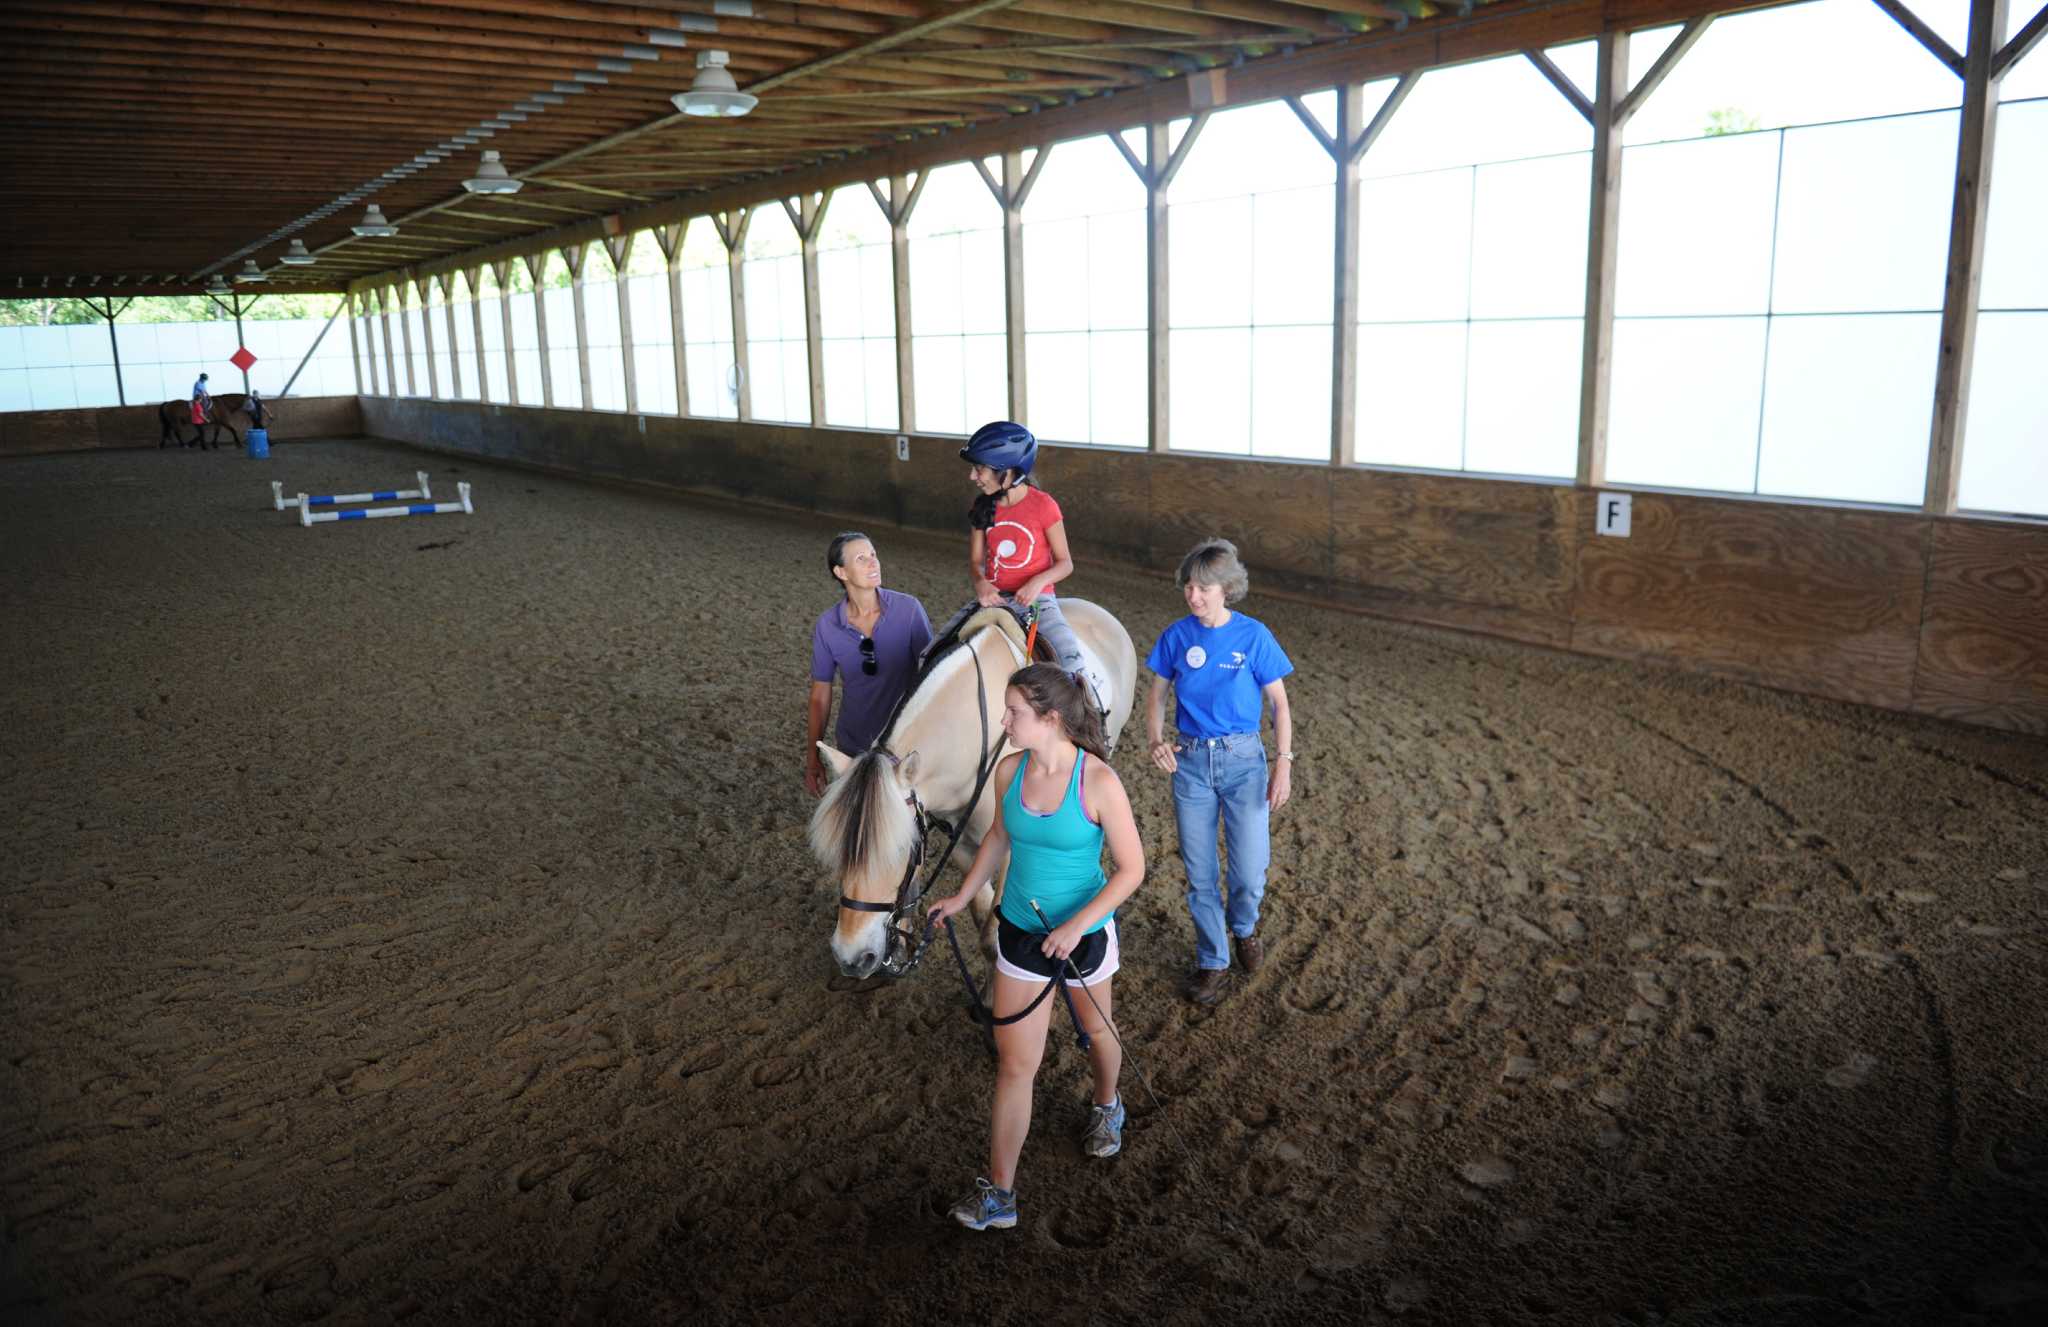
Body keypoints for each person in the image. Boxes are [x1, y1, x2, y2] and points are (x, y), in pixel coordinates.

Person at [927, 664, 1145, 1231]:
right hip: (1021, 932)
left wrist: (1079, 926)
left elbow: (1132, 869)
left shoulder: (1097, 782)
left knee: (1097, 1032)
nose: (1005, 722)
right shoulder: (1008, 773)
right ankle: (1000, 1194)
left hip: (1084, 934)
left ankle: (1106, 1104)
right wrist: (963, 895)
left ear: (1049, 719)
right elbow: (1000, 834)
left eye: (1014, 714)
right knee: (1015, 1065)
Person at [1144, 538, 1296, 1007]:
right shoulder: (1175, 637)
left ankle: (1245, 927)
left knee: (1249, 872)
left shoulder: (1254, 637)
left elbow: (1279, 704)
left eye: (1204, 587)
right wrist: (1155, 740)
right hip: (1190, 764)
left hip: (1244, 763)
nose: (1194, 595)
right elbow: (1156, 697)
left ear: (1226, 589)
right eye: (1189, 586)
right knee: (1201, 873)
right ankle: (1213, 959)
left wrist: (1283, 763)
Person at [953, 421, 1107, 715]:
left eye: (980, 469)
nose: (973, 476)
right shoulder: (982, 506)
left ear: (1007, 471)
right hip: (993, 599)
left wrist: (1037, 583)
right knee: (931, 653)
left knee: (1073, 665)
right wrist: (981, 583)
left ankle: (1094, 728)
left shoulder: (1043, 506)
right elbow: (975, 562)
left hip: (1038, 603)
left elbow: (1065, 563)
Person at [806, 532, 933, 795]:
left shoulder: (909, 609)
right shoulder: (827, 626)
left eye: (873, 555)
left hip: (905, 745)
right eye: (861, 558)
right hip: (854, 745)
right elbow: (820, 695)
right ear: (841, 572)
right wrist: (812, 757)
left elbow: (930, 676)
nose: (873, 563)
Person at [189, 373, 212, 440]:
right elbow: (201, 391)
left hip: (201, 396)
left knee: (208, 400)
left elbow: (205, 390)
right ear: (201, 378)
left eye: (205, 379)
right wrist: (205, 397)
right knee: (205, 402)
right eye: (204, 379)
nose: (205, 380)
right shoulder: (197, 383)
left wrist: (208, 395)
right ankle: (205, 415)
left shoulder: (203, 383)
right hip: (197, 397)